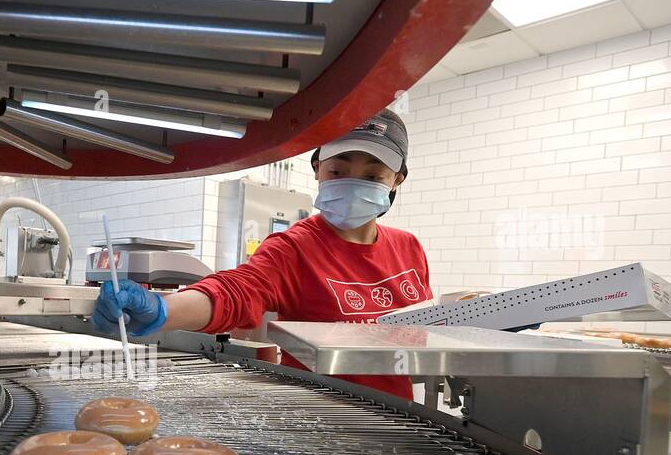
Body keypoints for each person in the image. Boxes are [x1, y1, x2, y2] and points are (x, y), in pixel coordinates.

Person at [93, 108, 431, 400]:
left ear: (397, 179)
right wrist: (161, 309)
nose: (352, 184)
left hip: (399, 415)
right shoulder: (295, 247)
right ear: (317, 169)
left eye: (373, 176)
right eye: (338, 172)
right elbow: (238, 291)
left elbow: (421, 328)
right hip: (319, 415)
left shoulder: (408, 247)